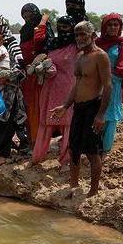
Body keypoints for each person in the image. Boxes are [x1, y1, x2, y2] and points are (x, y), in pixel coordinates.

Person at [50, 21, 112, 197]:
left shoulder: (100, 56)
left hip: (94, 107)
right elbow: (76, 85)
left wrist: (101, 115)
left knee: (93, 151)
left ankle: (93, 191)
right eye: (77, 35)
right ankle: (74, 185)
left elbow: (108, 87)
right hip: (78, 108)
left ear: (93, 36)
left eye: (83, 34)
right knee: (73, 148)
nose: (79, 38)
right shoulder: (79, 57)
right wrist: (65, 105)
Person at [32, 16, 78, 166]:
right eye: (60, 26)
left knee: (68, 123)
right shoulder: (52, 43)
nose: (63, 29)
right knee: (46, 120)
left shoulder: (76, 46)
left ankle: (66, 158)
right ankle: (38, 156)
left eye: (66, 27)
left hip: (68, 88)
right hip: (50, 87)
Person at [0, 12, 29, 153]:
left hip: (9, 88)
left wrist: (7, 77)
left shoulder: (11, 44)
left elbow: (20, 66)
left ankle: (4, 151)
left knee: (7, 119)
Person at [96, 13, 123, 153]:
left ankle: (105, 149)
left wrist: (107, 74)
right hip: (95, 85)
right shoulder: (97, 43)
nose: (112, 27)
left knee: (110, 116)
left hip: (113, 86)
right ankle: (95, 148)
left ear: (120, 27)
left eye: (116, 25)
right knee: (95, 113)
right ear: (104, 27)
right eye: (109, 25)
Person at [19, 3, 55, 145]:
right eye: (24, 15)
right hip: (26, 74)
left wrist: (43, 20)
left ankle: (37, 141)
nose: (27, 18)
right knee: (27, 106)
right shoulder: (24, 30)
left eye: (30, 14)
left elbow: (40, 39)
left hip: (37, 73)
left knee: (37, 107)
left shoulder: (43, 28)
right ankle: (31, 138)